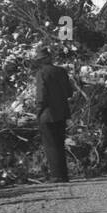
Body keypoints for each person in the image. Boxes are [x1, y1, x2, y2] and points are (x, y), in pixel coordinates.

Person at [32, 45, 75, 183]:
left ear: (41, 60)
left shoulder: (41, 73)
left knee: (50, 145)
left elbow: (41, 97)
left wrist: (38, 112)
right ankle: (64, 175)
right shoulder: (61, 71)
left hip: (47, 114)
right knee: (59, 143)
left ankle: (56, 176)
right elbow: (69, 92)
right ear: (50, 58)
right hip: (62, 113)